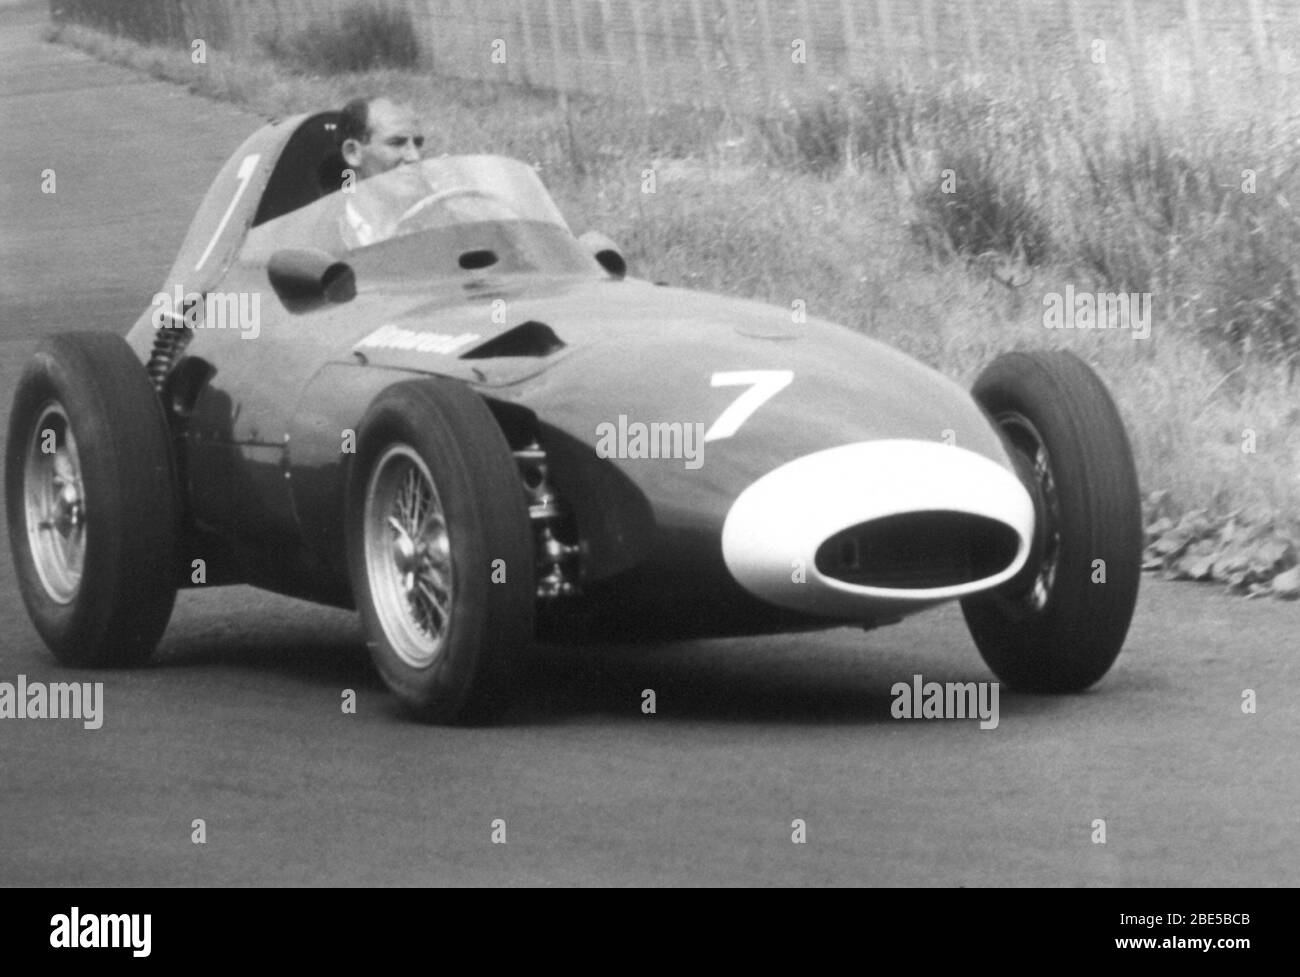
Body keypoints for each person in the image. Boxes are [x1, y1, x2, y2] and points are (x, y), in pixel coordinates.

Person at [333, 96, 434, 248]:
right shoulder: (317, 236)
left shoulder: (447, 226)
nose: (415, 156)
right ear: (353, 152)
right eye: (397, 143)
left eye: (417, 144)